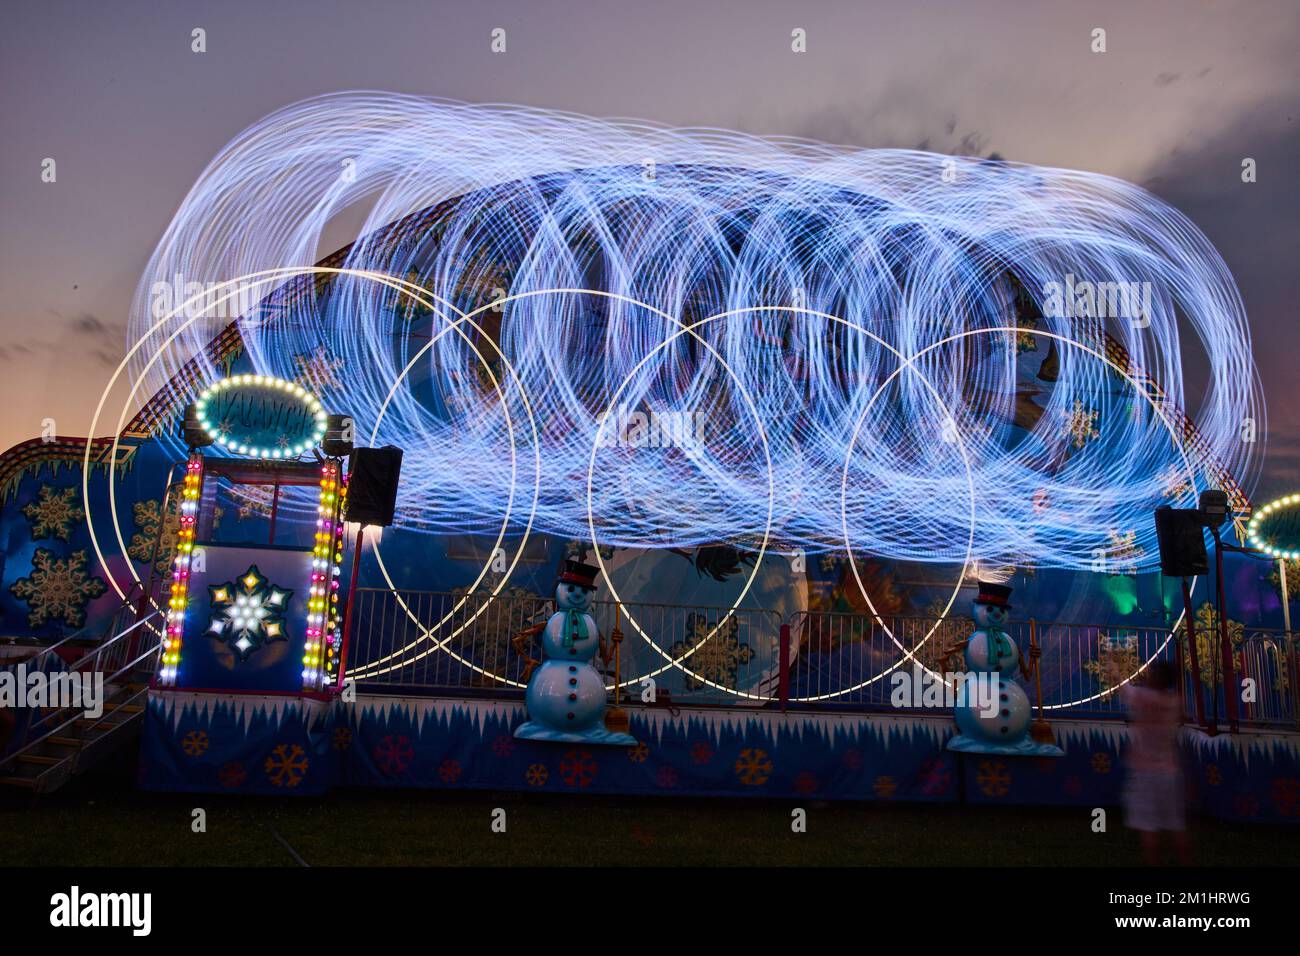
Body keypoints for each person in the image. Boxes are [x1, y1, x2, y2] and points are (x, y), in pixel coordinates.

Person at [1122, 660, 1189, 865]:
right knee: (1176, 824)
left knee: (1148, 827)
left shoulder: (1143, 698)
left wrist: (1114, 667)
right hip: (1169, 772)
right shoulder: (1174, 702)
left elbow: (1123, 687)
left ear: (1156, 678)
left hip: (1145, 773)